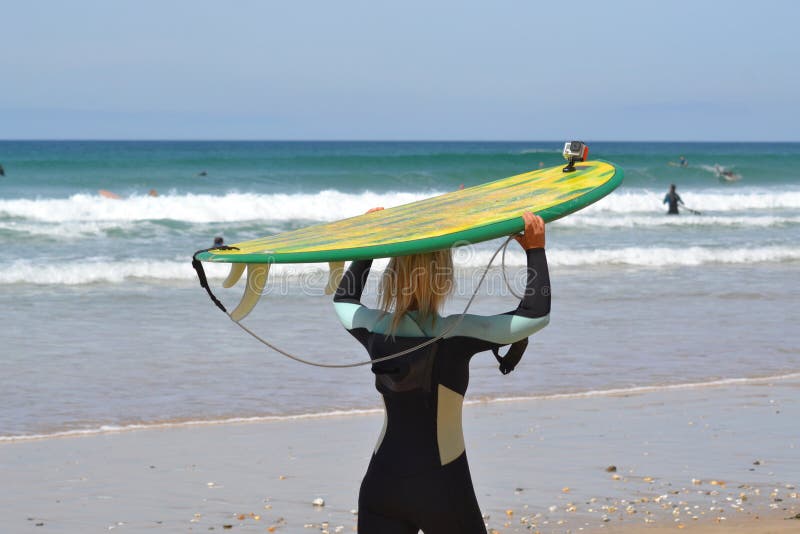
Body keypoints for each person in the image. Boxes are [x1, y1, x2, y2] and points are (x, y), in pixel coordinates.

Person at [334, 210, 551, 534]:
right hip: (441, 486)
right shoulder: (456, 333)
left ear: (392, 275)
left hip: (382, 484)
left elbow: (343, 299)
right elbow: (535, 315)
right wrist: (535, 249)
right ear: (444, 278)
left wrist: (368, 246)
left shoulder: (372, 329)